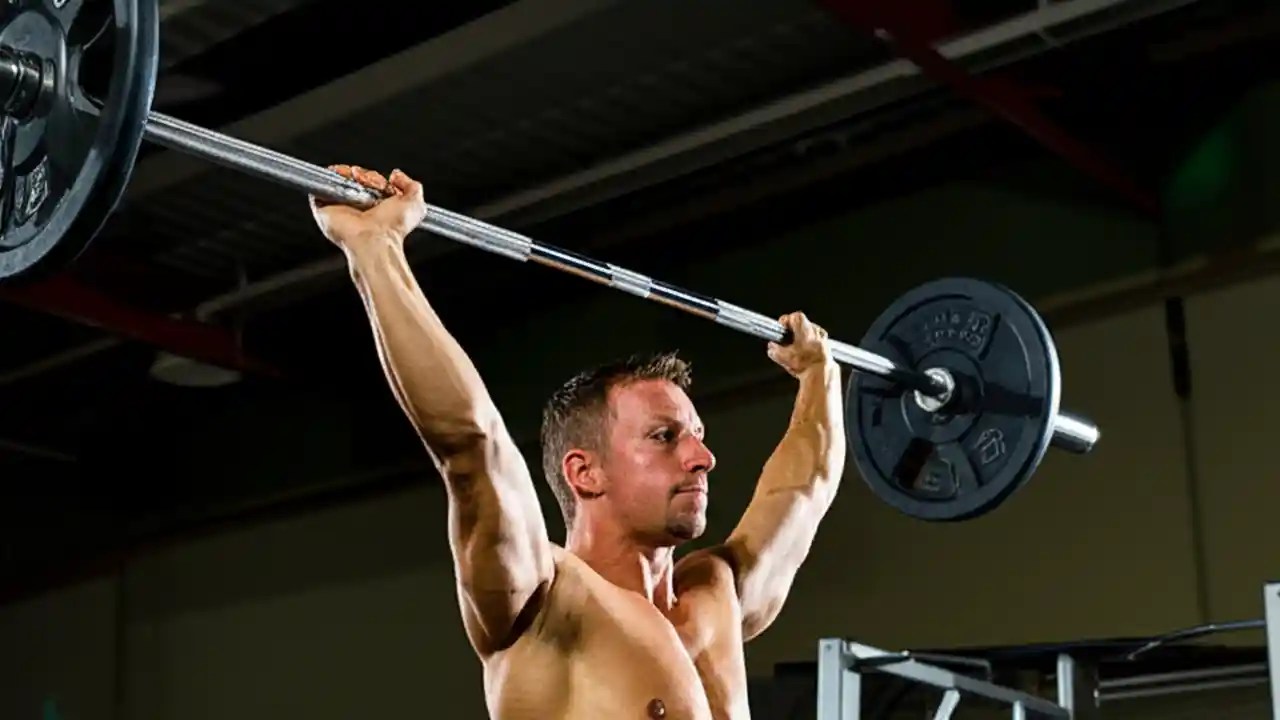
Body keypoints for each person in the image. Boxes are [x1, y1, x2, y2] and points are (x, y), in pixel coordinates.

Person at [309, 165, 846, 719]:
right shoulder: (544, 601)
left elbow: (806, 489)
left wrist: (818, 375)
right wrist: (377, 249)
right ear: (584, 472)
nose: (702, 458)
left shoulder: (717, 598)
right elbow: (473, 444)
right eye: (665, 437)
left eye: (697, 438)